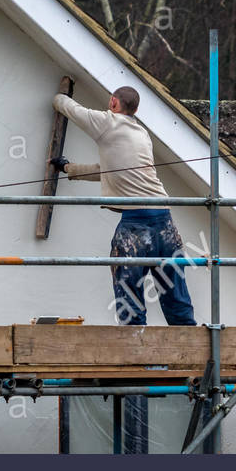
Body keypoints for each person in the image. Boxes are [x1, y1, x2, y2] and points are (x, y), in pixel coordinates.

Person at [51, 86, 195, 326]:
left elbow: (73, 110)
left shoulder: (108, 122)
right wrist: (69, 169)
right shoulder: (141, 134)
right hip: (165, 222)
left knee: (129, 292)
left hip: (136, 223)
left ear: (113, 102)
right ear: (136, 110)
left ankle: (139, 358)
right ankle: (191, 352)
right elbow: (111, 172)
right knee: (173, 289)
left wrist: (56, 96)